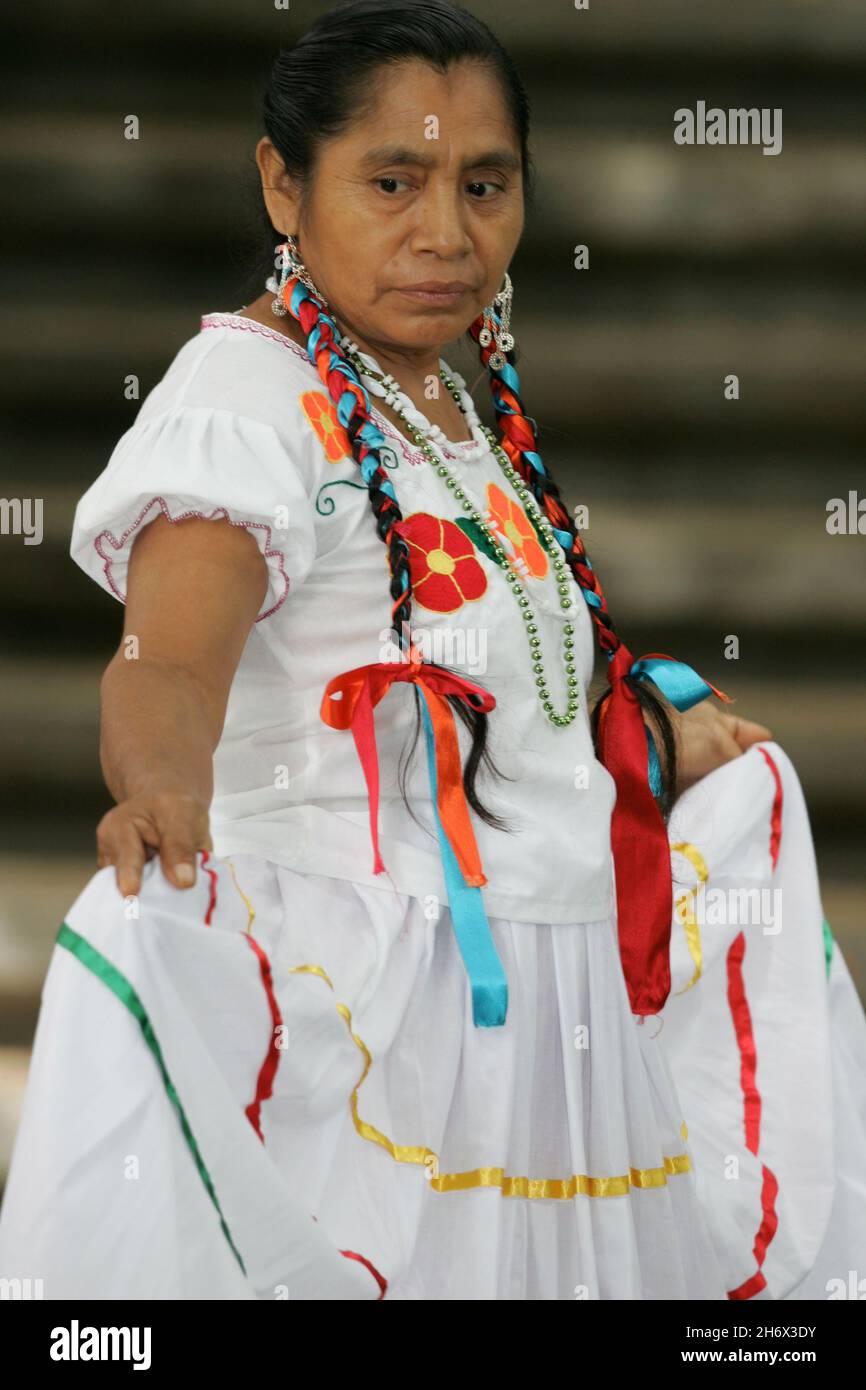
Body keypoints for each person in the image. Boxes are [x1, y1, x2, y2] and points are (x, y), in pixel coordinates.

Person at [1, 0, 864, 1301]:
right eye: (392, 183)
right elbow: (165, 659)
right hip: (376, 1011)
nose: (446, 235)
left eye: (485, 184)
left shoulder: (452, 397)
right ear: (282, 185)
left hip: (546, 997)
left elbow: (506, 674)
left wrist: (639, 731)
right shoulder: (243, 404)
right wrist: (162, 783)